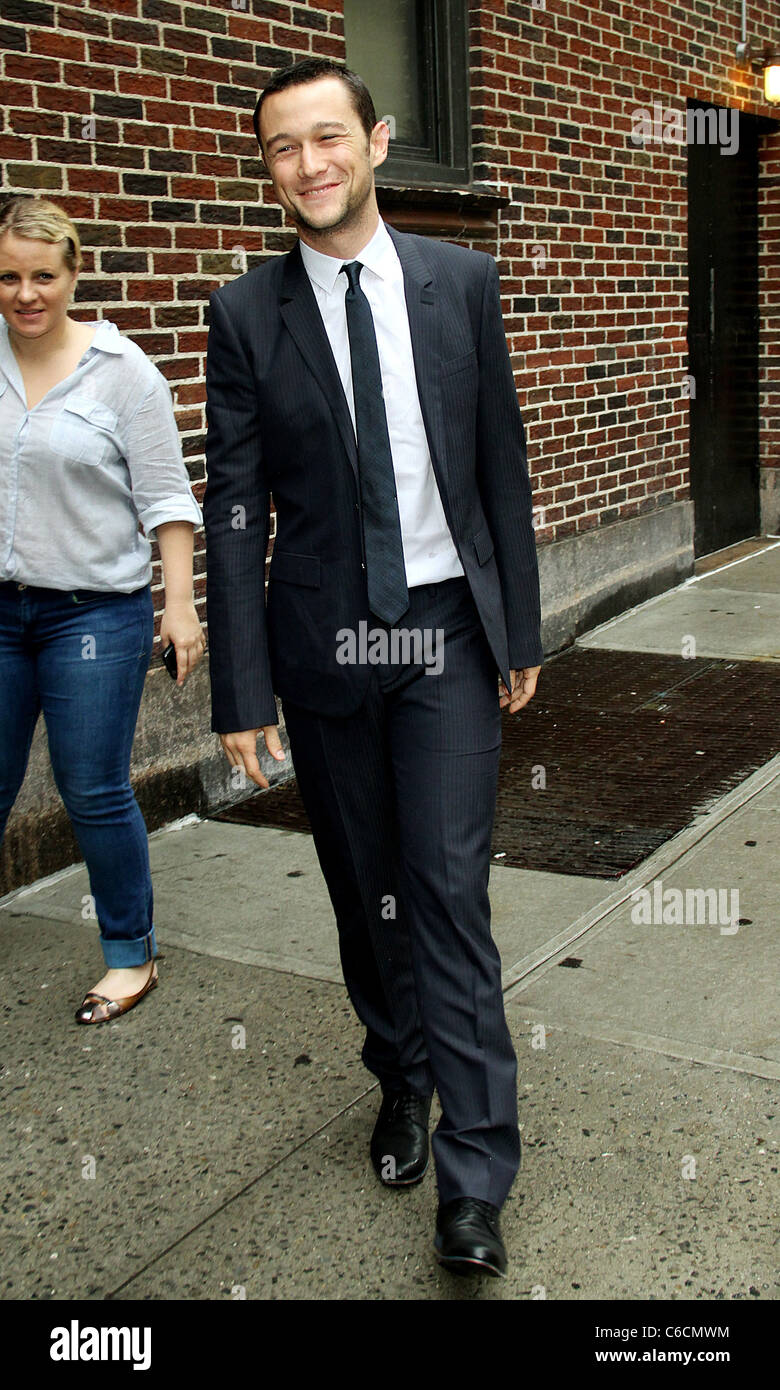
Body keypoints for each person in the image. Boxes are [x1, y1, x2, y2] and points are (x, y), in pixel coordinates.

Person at [203, 58, 543, 1277]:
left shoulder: (462, 283)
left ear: (379, 140)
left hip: (446, 630)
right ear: (270, 166)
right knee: (366, 886)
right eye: (284, 146)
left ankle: (477, 1174)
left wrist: (522, 631)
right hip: (329, 642)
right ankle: (400, 1074)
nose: (310, 163)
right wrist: (240, 691)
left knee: (447, 889)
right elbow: (234, 505)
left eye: (329, 137)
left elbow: (500, 462)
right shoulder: (247, 314)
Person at [0, 195, 204, 1025]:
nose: (25, 293)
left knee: (91, 789)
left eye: (42, 274)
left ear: (73, 273)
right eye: (8, 276)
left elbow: (168, 501)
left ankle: (130, 954)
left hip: (93, 615)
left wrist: (180, 608)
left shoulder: (122, 373)